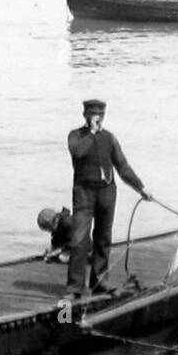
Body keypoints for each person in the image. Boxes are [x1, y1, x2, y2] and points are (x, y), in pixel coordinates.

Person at [65, 99, 152, 298]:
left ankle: (99, 282)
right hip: (84, 192)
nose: (97, 118)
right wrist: (92, 132)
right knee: (79, 240)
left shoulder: (110, 138)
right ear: (85, 115)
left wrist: (141, 188)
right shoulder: (76, 136)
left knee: (103, 238)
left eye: (100, 115)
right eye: (92, 114)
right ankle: (74, 288)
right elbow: (78, 153)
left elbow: (123, 166)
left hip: (107, 192)